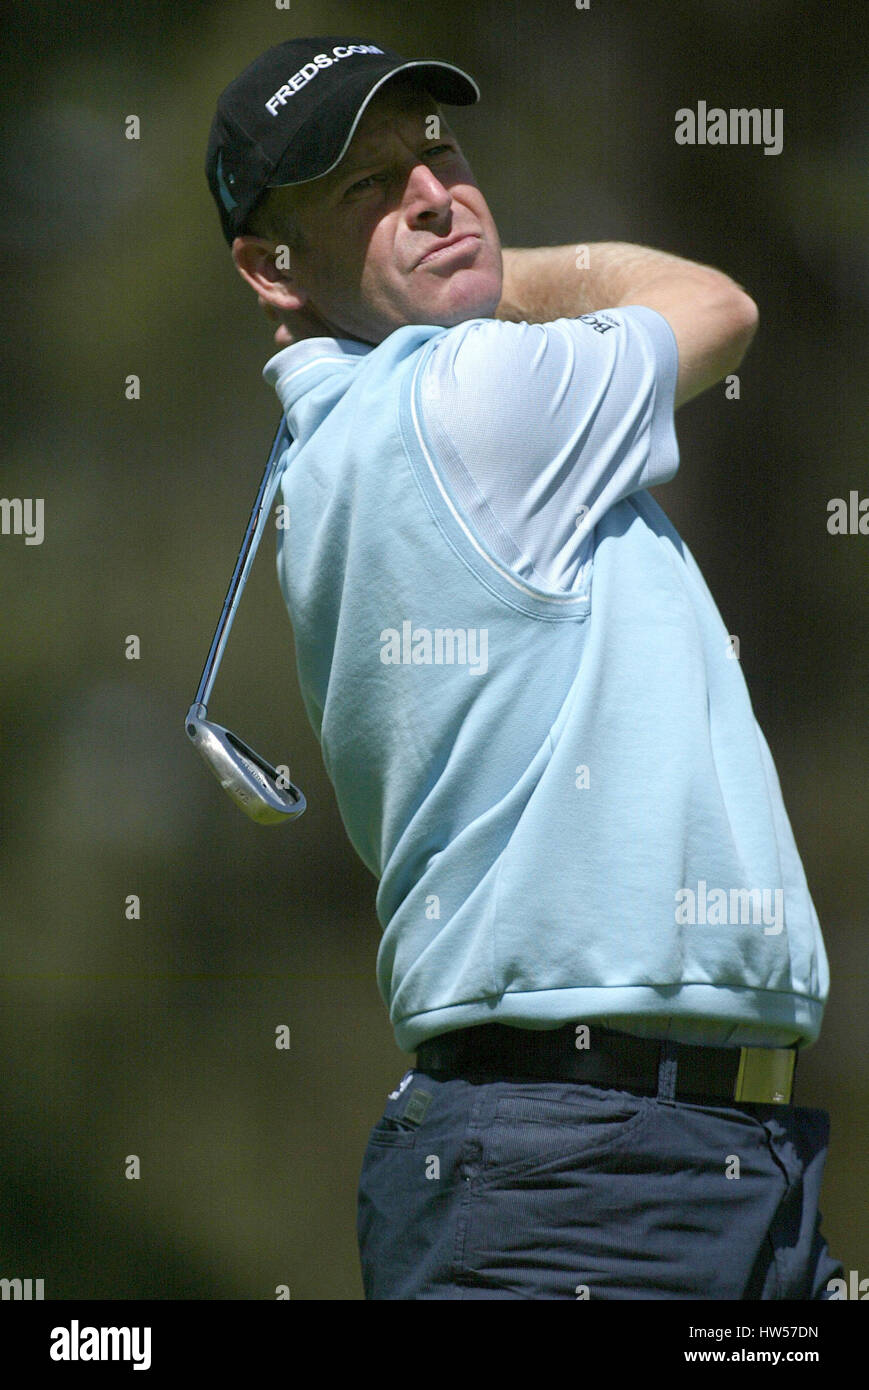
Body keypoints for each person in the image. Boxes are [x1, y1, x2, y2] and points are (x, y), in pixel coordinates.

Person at [205, 35, 842, 1300]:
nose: (433, 193)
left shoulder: (370, 425)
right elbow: (717, 305)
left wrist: (440, 272)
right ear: (269, 271)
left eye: (434, 151)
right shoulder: (464, 401)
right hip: (579, 1182)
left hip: (691, 1165)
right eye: (361, 188)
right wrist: (495, 280)